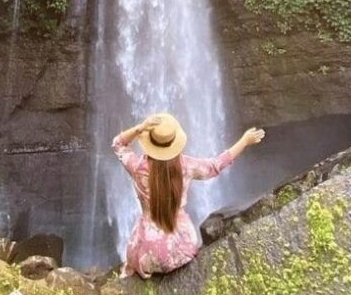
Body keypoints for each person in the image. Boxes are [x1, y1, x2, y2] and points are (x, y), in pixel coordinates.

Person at [112, 113, 266, 278]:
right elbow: (215, 166)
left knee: (137, 248)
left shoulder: (137, 167)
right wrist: (244, 141)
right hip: (181, 249)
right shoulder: (185, 166)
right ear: (175, 143)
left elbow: (118, 144)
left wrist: (139, 128)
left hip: (148, 254)